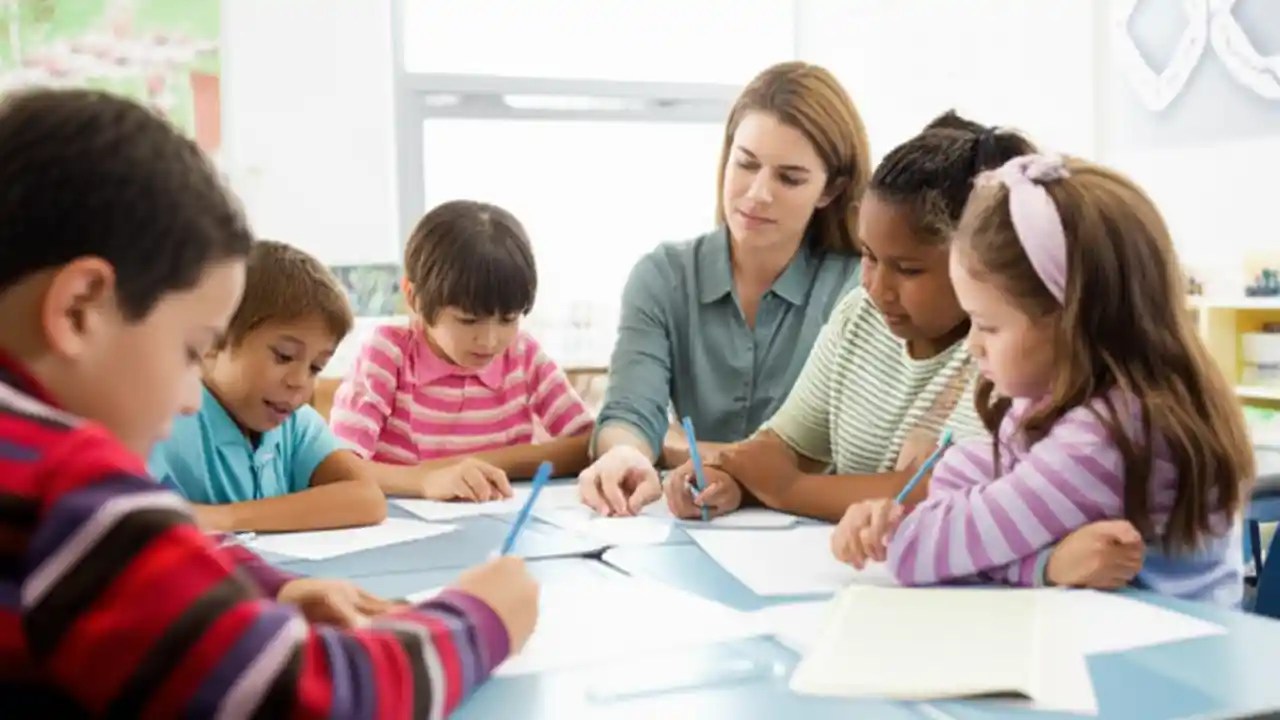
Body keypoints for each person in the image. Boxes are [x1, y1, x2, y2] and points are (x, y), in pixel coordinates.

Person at [0, 88, 537, 715]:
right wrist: (482, 619)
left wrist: (274, 590)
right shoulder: (63, 492)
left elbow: (151, 556)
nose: (184, 400)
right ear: (79, 308)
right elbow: (321, 698)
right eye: (190, 349)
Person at [835, 154, 1250, 606]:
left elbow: (923, 554)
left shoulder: (1105, 437)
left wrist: (897, 532)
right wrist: (1046, 565)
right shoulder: (1064, 403)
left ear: (1073, 322)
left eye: (988, 326)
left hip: (1172, 655)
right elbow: (962, 480)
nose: (973, 345)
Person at [657, 112, 1035, 522]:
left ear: (977, 262)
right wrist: (728, 479)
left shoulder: (1001, 351)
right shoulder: (859, 315)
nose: (877, 288)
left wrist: (788, 489)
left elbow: (940, 494)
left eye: (908, 270)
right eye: (869, 256)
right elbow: (786, 443)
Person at [578, 61, 870, 514]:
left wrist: (680, 447)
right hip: (690, 525)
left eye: (788, 177)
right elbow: (632, 414)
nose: (757, 194)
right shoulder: (662, 277)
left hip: (819, 535)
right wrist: (627, 454)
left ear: (831, 190)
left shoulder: (858, 288)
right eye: (746, 163)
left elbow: (841, 452)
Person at [331, 200, 595, 495]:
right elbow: (338, 467)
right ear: (414, 297)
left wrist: (478, 463)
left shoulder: (522, 355)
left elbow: (588, 445)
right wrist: (426, 480)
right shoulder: (388, 354)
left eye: (509, 319)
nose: (490, 340)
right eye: (469, 321)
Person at [149, 240, 388, 531]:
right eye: (284, 356)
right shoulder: (166, 423)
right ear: (212, 341)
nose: (299, 382)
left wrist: (223, 518)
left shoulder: (297, 425)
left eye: (315, 368)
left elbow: (366, 498)